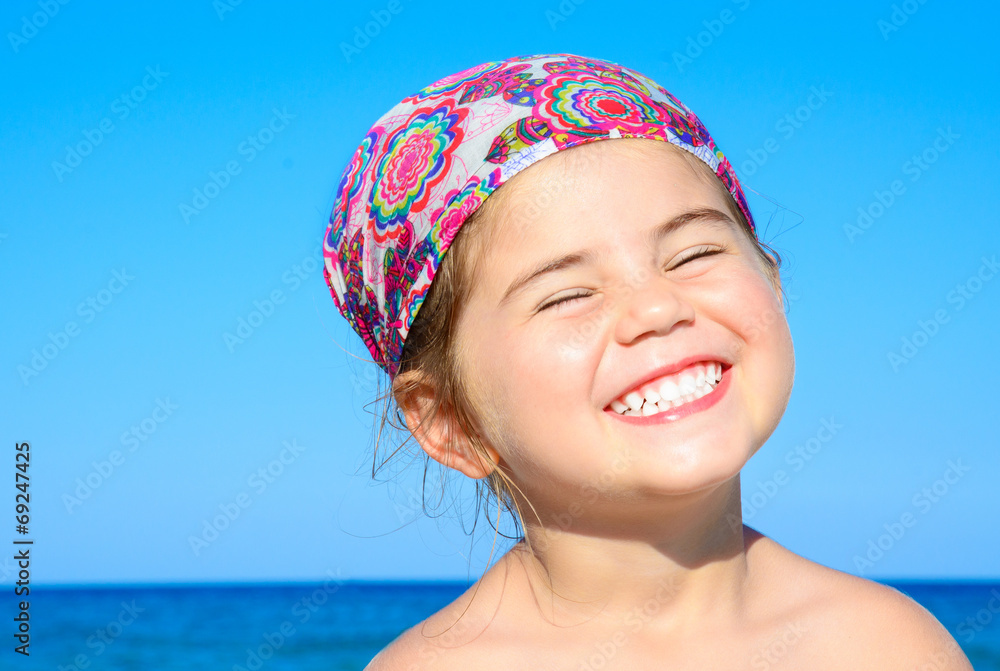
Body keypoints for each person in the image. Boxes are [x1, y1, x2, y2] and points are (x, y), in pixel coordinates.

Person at [323, 53, 973, 669]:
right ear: (450, 422)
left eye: (694, 254)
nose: (658, 308)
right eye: (568, 294)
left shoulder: (887, 646)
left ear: (773, 283)